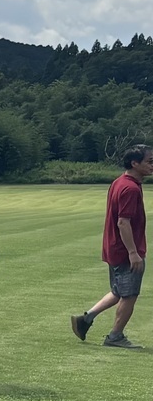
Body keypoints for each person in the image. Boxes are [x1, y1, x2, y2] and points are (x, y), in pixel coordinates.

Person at [72, 144, 152, 348]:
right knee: (129, 294)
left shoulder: (120, 182)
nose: (152, 165)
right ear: (134, 163)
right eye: (149, 161)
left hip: (115, 248)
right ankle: (115, 337)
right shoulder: (130, 188)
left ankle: (85, 319)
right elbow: (123, 222)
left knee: (118, 291)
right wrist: (133, 252)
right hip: (125, 251)